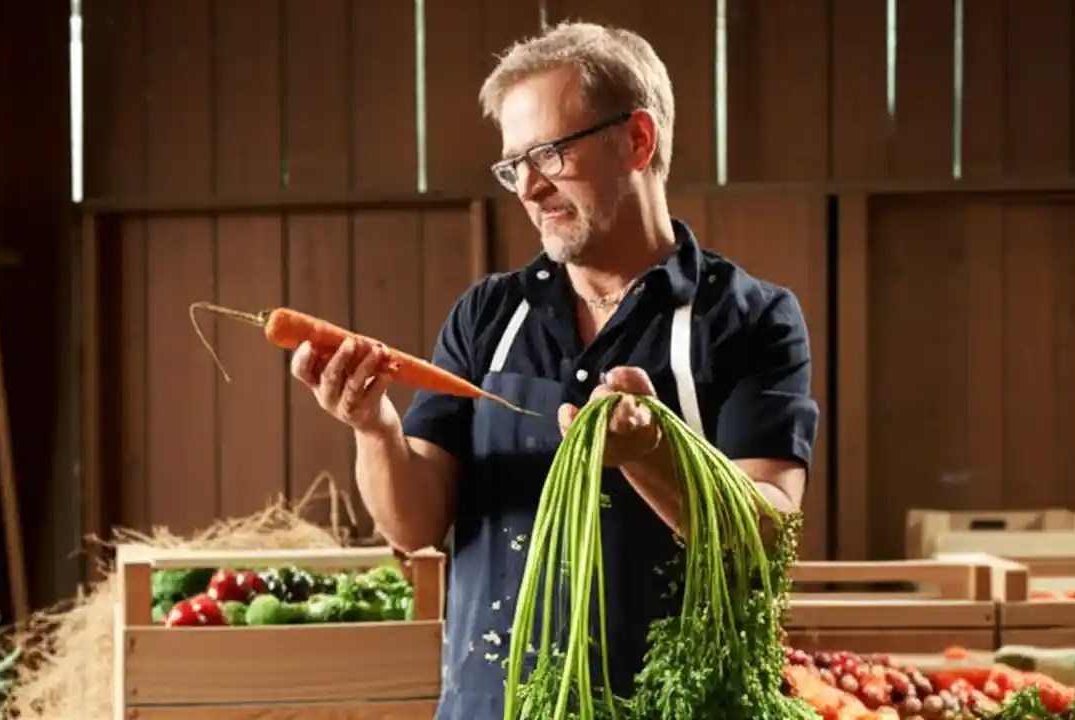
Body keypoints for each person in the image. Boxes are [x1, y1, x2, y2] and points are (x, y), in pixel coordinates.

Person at [288, 20, 819, 720]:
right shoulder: (489, 314)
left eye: (550, 154)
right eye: (514, 165)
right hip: (490, 706)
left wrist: (652, 454)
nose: (529, 188)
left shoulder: (748, 320)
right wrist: (372, 426)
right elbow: (414, 524)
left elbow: (766, 537)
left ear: (637, 140)